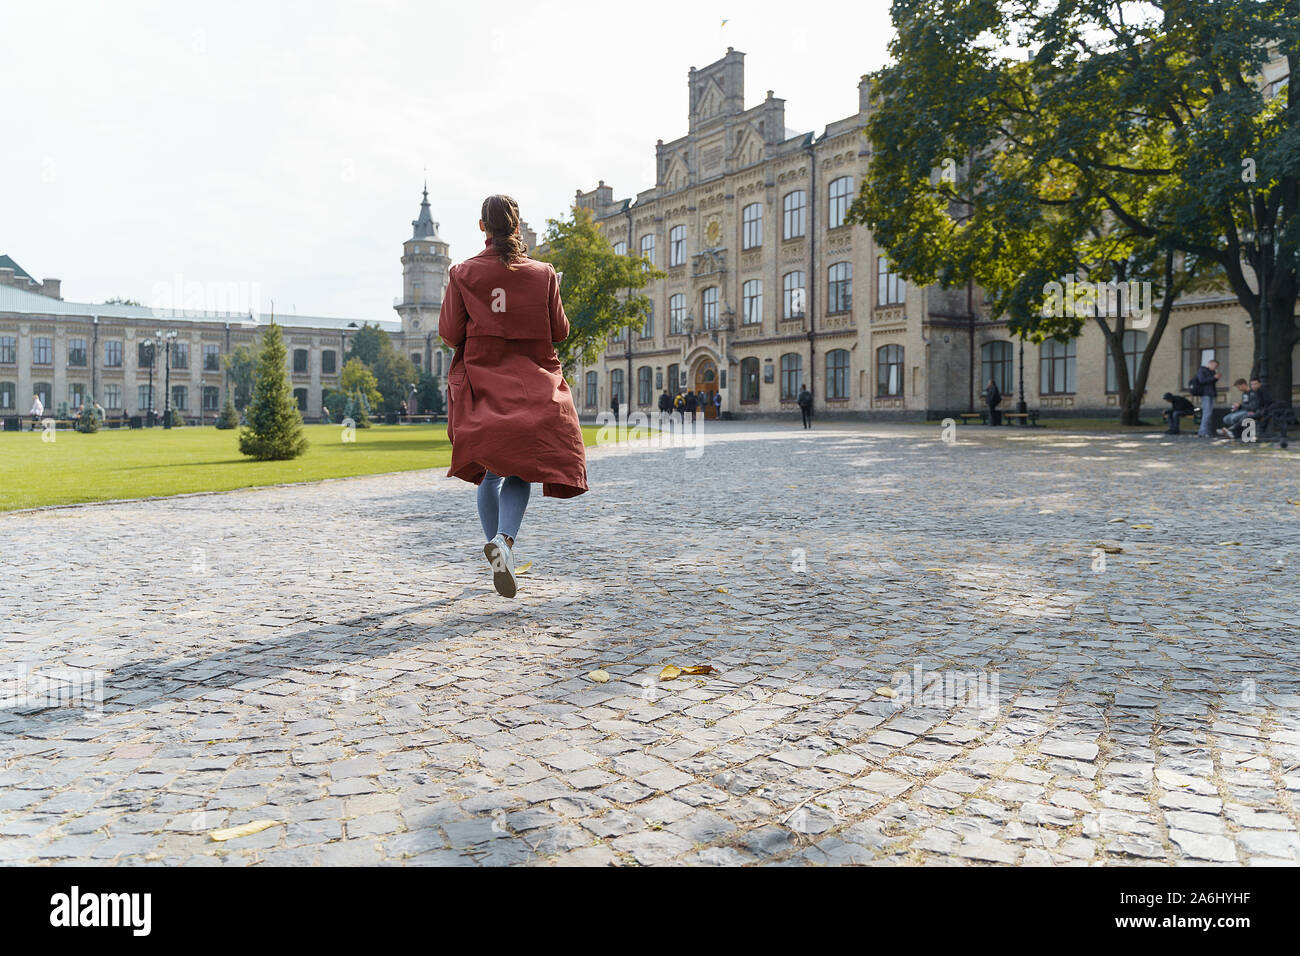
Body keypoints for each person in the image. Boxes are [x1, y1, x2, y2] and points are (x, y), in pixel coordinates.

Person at [438, 194, 587, 598]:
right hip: (532, 383)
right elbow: (561, 330)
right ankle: (504, 541)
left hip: (484, 380)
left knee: (490, 470)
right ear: (517, 226)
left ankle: (497, 549)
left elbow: (450, 333)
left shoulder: (463, 273)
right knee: (522, 469)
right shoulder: (543, 274)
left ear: (482, 227)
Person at [1190, 358, 1220, 437]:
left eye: (1217, 366)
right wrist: (1214, 378)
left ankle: (1207, 431)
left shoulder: (1212, 371)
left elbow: (1211, 382)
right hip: (1205, 394)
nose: (1215, 367)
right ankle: (1203, 432)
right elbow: (1202, 380)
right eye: (1215, 365)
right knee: (1207, 414)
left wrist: (1216, 378)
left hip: (1211, 394)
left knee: (1209, 414)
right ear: (1210, 363)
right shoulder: (1202, 370)